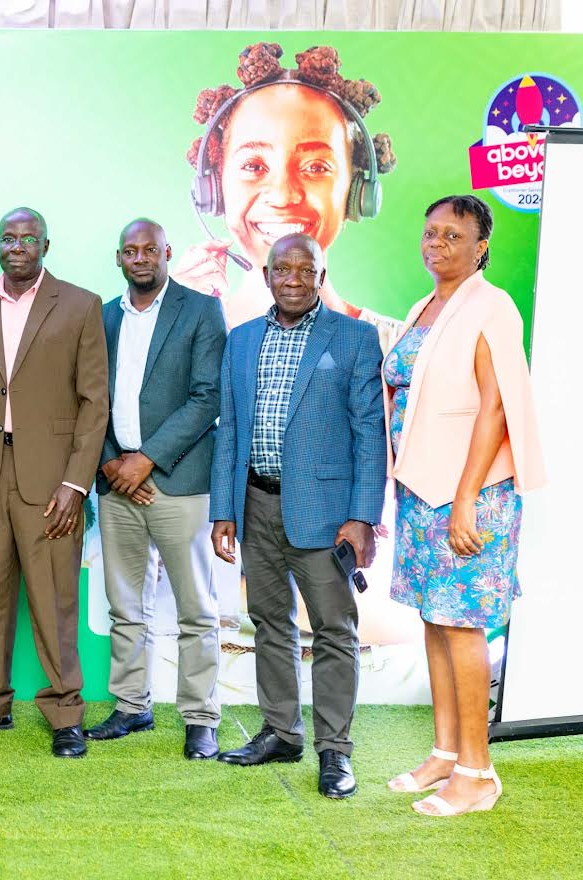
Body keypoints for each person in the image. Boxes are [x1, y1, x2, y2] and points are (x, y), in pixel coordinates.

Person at [383, 195, 545, 816]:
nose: (438, 243)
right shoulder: (423, 307)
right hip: (423, 492)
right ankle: (445, 752)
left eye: (454, 235)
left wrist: (466, 498)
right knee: (434, 618)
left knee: (460, 621)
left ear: (481, 247)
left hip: (470, 495)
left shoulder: (491, 306)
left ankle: (477, 773)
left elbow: (495, 406)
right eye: (431, 233)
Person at [208, 232, 385, 799]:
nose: (292, 279)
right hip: (255, 503)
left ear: (321, 277)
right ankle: (281, 732)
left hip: (326, 513)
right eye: (282, 269)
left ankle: (335, 752)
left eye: (305, 270)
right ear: (266, 276)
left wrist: (362, 516)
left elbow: (369, 432)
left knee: (334, 629)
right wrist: (223, 509)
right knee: (269, 621)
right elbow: (229, 429)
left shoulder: (354, 337)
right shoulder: (241, 339)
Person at [0, 207, 108, 759]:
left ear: (45, 246)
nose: (17, 247)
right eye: (8, 238)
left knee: (55, 600)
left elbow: (94, 403)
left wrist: (76, 484)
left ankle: (65, 712)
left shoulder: (80, 305)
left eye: (28, 239)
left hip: (52, 479)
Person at [86, 219, 227, 760]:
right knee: (125, 604)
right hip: (116, 481)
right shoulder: (103, 317)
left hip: (179, 481)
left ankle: (200, 716)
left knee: (196, 608)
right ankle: (130, 705)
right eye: (131, 250)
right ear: (118, 258)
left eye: (150, 249)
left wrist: (146, 461)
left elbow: (207, 396)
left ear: (167, 252)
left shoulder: (201, 310)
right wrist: (111, 463)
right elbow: (89, 398)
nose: (141, 258)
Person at [177, 42, 402, 348]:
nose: (283, 196)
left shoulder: (397, 347)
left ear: (355, 190)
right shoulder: (185, 333)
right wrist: (169, 329)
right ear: (215, 186)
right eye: (254, 166)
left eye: (316, 167)